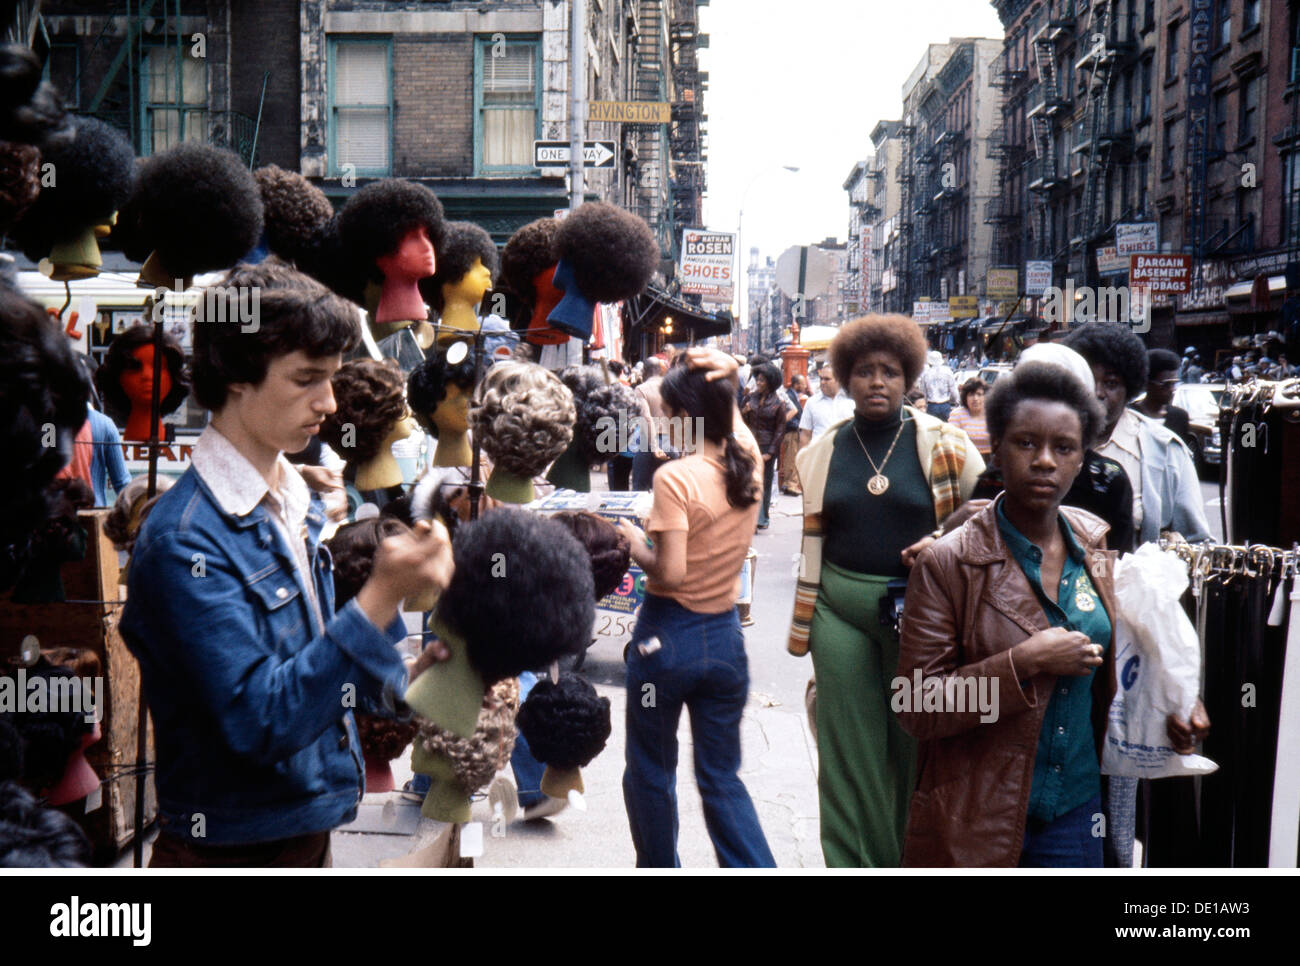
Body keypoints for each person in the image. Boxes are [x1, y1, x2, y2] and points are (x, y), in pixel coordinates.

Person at [120, 259, 454, 867]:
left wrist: (405, 680)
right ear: (237, 376)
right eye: (306, 379)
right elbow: (261, 722)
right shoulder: (184, 542)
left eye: (332, 376)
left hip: (303, 832)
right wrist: (380, 597)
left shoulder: (291, 496)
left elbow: (309, 664)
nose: (328, 401)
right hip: (232, 849)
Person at [897, 362, 1210, 866]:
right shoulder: (948, 562)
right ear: (995, 448)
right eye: (1025, 443)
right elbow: (916, 703)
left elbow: (1123, 657)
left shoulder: (1095, 544)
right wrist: (1023, 662)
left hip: (1076, 809)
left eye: (1063, 448)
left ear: (1082, 458)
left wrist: (1176, 703)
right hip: (977, 812)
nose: (1044, 461)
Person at [789, 315, 984, 867]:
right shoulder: (822, 450)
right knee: (846, 753)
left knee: (912, 747)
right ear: (847, 379)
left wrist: (942, 539)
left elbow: (985, 518)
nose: (877, 382)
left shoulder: (947, 445)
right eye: (865, 372)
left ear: (909, 379)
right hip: (838, 612)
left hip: (921, 616)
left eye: (891, 373)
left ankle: (904, 858)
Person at [617, 350, 776, 868]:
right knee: (721, 777)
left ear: (686, 416)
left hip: (667, 638)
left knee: (650, 768)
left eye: (667, 415)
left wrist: (633, 541)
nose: (663, 425)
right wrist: (726, 377)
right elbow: (732, 420)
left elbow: (670, 573)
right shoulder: (748, 462)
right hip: (725, 642)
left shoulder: (676, 479)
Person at [1062, 323, 1211, 545]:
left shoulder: (1166, 449)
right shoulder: (1048, 441)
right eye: (1088, 381)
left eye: (1111, 383)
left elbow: (1196, 542)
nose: (1098, 393)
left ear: (1130, 388)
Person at [741, 362, 797, 530]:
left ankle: (762, 518)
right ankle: (749, 516)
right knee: (748, 481)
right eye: (757, 380)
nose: (758, 383)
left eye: (762, 380)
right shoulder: (750, 398)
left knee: (765, 482)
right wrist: (745, 411)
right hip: (750, 445)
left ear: (770, 382)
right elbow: (740, 420)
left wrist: (771, 452)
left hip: (767, 447)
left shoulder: (778, 403)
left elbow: (780, 430)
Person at [1133, 348, 1190, 445]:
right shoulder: (1130, 416)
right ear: (1147, 384)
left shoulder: (1179, 417)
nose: (1172, 389)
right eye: (1166, 384)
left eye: (1174, 383)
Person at [632, 356, 672, 490]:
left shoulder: (641, 389)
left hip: (649, 444)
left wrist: (654, 447)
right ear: (660, 370)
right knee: (671, 491)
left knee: (641, 492)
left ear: (644, 371)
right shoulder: (672, 386)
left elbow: (646, 418)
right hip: (673, 443)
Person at [798, 362, 855, 446]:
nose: (822, 382)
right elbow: (805, 435)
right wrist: (802, 458)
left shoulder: (852, 402)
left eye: (827, 379)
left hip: (846, 455)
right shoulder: (812, 403)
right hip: (819, 456)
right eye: (821, 379)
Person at [778, 372, 808, 495]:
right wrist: (798, 426)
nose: (805, 386)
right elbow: (789, 415)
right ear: (796, 385)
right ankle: (790, 485)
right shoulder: (789, 396)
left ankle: (789, 483)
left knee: (793, 457)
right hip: (791, 431)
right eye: (803, 384)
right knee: (792, 458)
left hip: (793, 430)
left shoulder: (793, 395)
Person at [947, 377, 991, 457]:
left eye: (979, 394)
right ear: (965, 397)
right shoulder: (957, 414)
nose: (975, 399)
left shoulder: (993, 414)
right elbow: (952, 440)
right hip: (965, 459)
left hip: (992, 460)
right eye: (971, 395)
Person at [918, 349, 958, 421]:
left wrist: (924, 405)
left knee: (933, 430)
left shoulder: (926, 374)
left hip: (932, 406)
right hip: (945, 405)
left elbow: (923, 393)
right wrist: (957, 402)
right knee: (947, 429)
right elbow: (953, 390)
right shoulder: (947, 372)